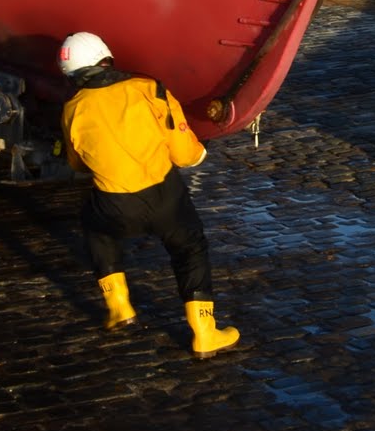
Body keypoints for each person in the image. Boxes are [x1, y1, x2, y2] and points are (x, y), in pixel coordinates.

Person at [57, 31, 239, 359]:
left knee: (95, 229)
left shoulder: (72, 109)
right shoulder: (147, 89)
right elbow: (185, 154)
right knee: (189, 248)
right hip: (164, 196)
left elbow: (76, 162)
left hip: (114, 203)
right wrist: (199, 153)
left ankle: (118, 306)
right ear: (106, 57)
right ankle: (204, 332)